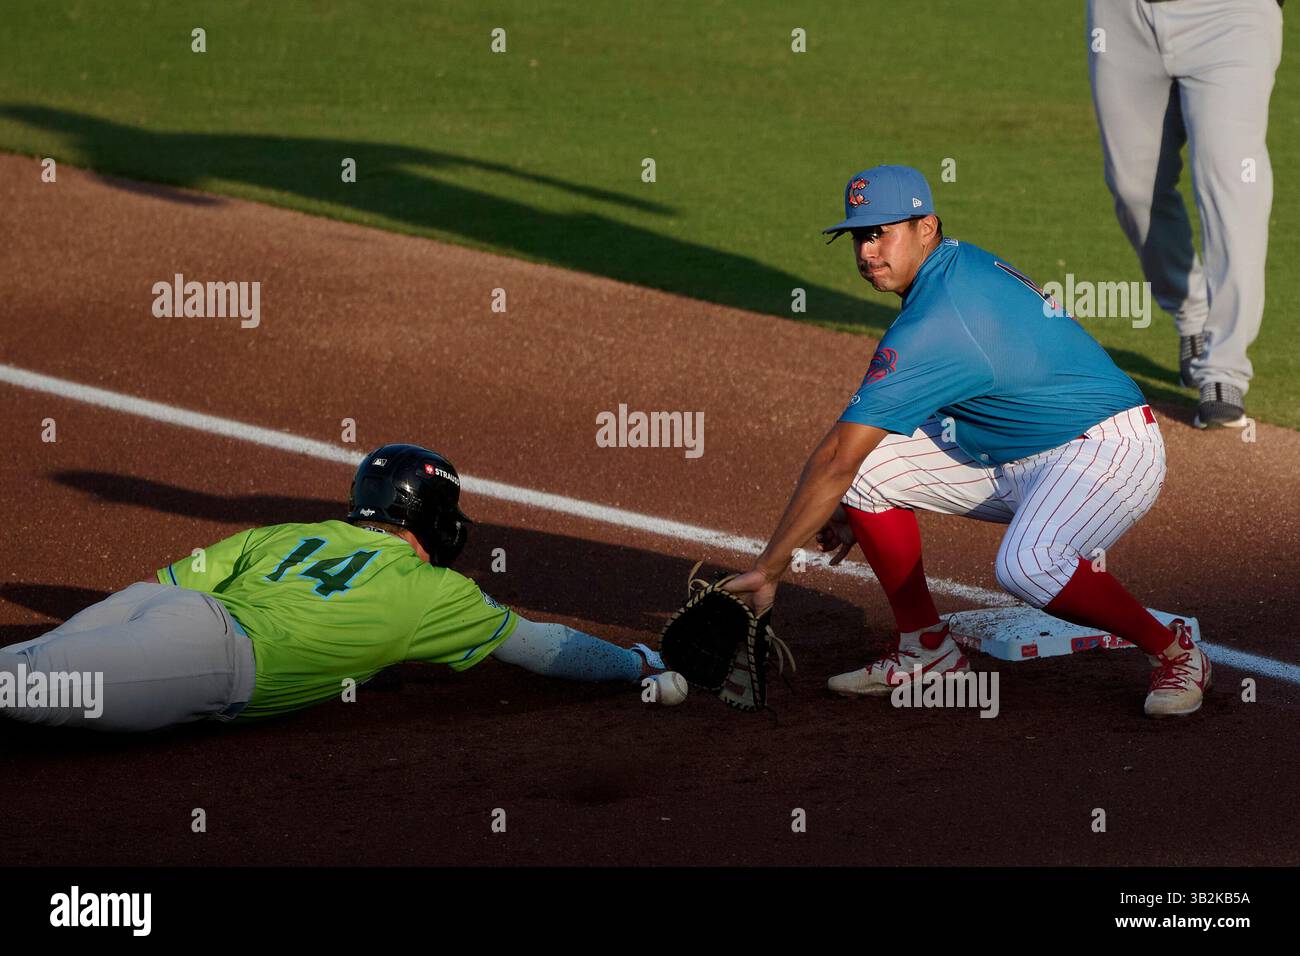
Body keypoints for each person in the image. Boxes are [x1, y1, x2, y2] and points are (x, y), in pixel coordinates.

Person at [723, 165, 1211, 717]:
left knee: (1028, 564)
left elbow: (837, 454)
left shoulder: (936, 320)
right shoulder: (951, 263)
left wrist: (770, 566)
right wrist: (842, 502)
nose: (867, 251)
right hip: (1005, 446)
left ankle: (1173, 651)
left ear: (926, 227)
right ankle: (926, 651)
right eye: (861, 235)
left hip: (1103, 450)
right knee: (864, 475)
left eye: (883, 232)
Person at [0, 444, 663, 731]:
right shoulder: (437, 593)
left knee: (22, 674)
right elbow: (547, 648)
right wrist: (635, 663)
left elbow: (161, 585)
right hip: (206, 655)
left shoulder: (290, 532)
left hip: (158, 607)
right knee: (20, 690)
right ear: (429, 515)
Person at [1087, 0, 1284, 428]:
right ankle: (1191, 314)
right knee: (1133, 187)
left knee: (1233, 185)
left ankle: (1224, 369)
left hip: (1230, 16)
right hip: (1123, 18)